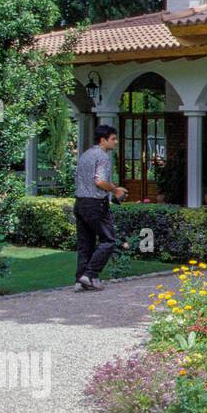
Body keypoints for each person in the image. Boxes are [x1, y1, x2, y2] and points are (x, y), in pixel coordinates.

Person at [73, 124, 128, 291]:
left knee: (85, 243)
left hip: (80, 203)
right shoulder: (102, 156)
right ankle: (89, 275)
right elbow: (100, 181)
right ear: (103, 140)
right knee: (109, 240)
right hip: (95, 204)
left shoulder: (86, 155)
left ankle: (80, 281)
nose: (115, 142)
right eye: (113, 139)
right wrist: (116, 190)